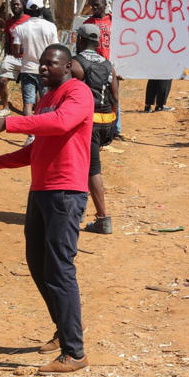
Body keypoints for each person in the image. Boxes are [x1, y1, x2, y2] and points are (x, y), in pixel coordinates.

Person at [0, 44, 92, 374]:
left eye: (52, 64)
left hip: (66, 192)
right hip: (41, 191)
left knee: (59, 269)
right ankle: (64, 328)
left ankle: (74, 352)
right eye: (42, 63)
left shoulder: (78, 93)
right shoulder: (46, 100)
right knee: (38, 265)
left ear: (67, 67)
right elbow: (34, 150)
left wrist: (6, 124)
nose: (44, 68)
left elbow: (61, 123)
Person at [71, 25, 118, 235]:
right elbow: (115, 97)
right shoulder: (108, 65)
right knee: (84, 163)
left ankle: (102, 218)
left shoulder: (76, 63)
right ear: (98, 42)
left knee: (91, 169)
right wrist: (112, 124)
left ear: (80, 40)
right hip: (105, 120)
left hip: (86, 122)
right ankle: (79, 209)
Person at [13, 0, 59, 145]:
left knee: (28, 103)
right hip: (45, 70)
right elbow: (55, 49)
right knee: (47, 102)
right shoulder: (50, 27)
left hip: (27, 69)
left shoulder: (19, 28)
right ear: (41, 9)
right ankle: (46, 133)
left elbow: (16, 52)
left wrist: (26, 50)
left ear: (27, 10)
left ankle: (31, 135)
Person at [0, 0, 30, 118]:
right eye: (13, 4)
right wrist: (6, 56)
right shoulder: (9, 22)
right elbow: (7, 40)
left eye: (17, 4)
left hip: (27, 57)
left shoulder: (29, 20)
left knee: (29, 85)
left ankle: (31, 109)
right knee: (2, 80)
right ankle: (6, 108)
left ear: (23, 5)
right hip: (12, 57)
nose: (15, 6)